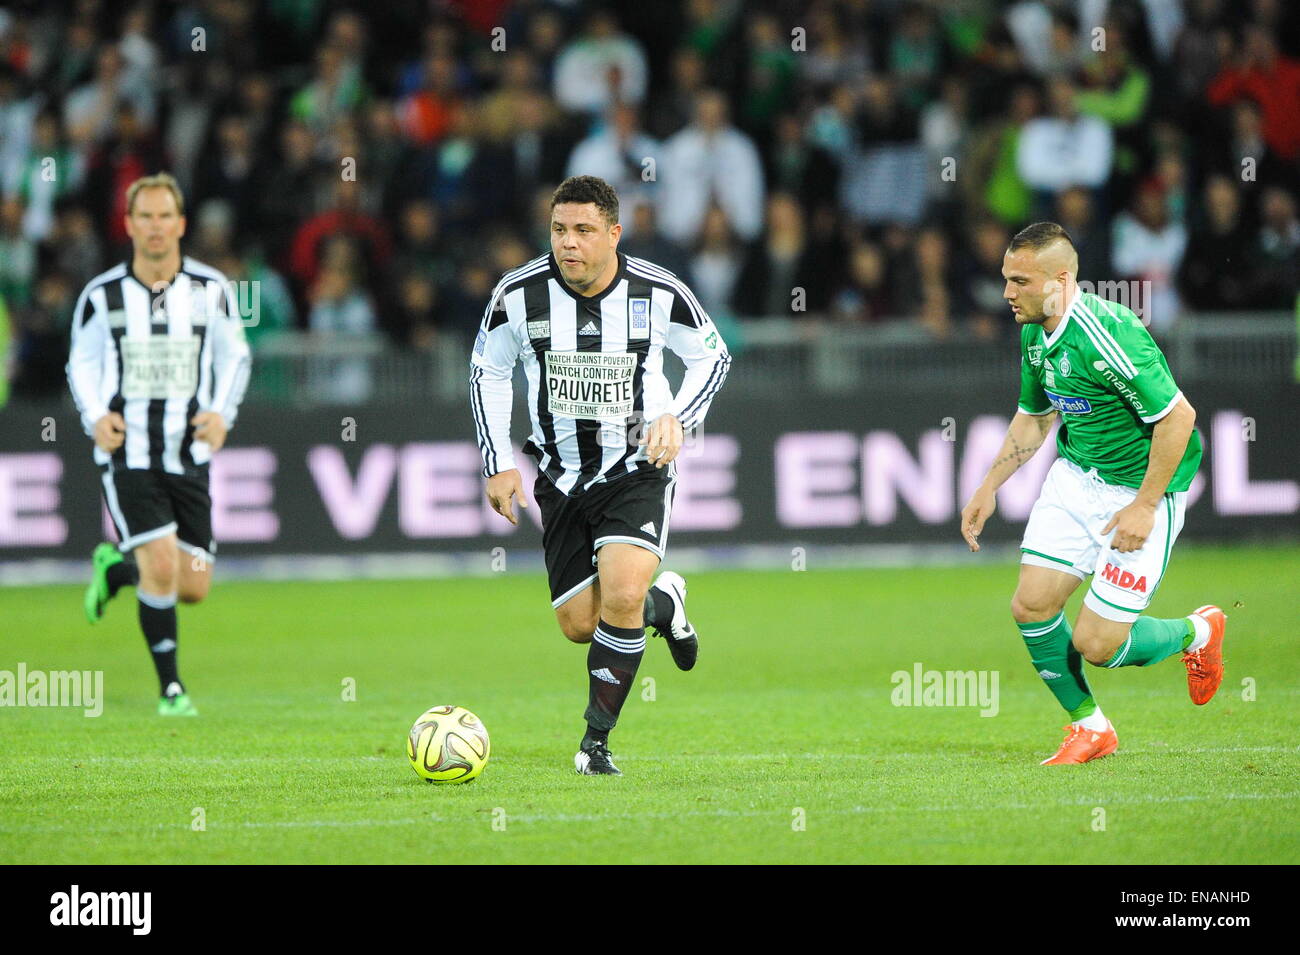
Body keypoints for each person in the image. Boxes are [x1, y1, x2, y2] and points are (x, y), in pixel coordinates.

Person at [470, 175, 731, 775]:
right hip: (558, 477)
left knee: (620, 592)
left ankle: (595, 744)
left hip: (637, 466)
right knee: (579, 625)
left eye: (584, 231)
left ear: (614, 233)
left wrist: (679, 419)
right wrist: (499, 462)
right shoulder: (518, 294)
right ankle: (665, 607)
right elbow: (486, 369)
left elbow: (712, 355)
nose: (569, 243)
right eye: (560, 230)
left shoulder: (659, 291)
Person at [960, 222, 1225, 765]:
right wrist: (988, 487)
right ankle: (1090, 727)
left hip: (1139, 492)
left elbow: (1179, 420)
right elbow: (1035, 418)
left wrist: (1145, 506)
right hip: (1076, 480)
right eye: (1005, 279)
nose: (1007, 293)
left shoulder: (1110, 333)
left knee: (1098, 646)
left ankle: (1198, 632)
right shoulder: (1035, 330)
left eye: (1019, 281)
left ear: (1059, 280)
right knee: (1031, 606)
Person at [67, 173, 251, 716]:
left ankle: (115, 571)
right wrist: (95, 416)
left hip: (188, 450)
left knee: (192, 586)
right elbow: (82, 361)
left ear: (181, 223)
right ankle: (172, 689)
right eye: (144, 216)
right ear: (128, 224)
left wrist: (221, 414)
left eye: (164, 215)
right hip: (128, 452)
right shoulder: (101, 295)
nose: (154, 226)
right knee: (164, 564)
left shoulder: (210, 289)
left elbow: (234, 357)